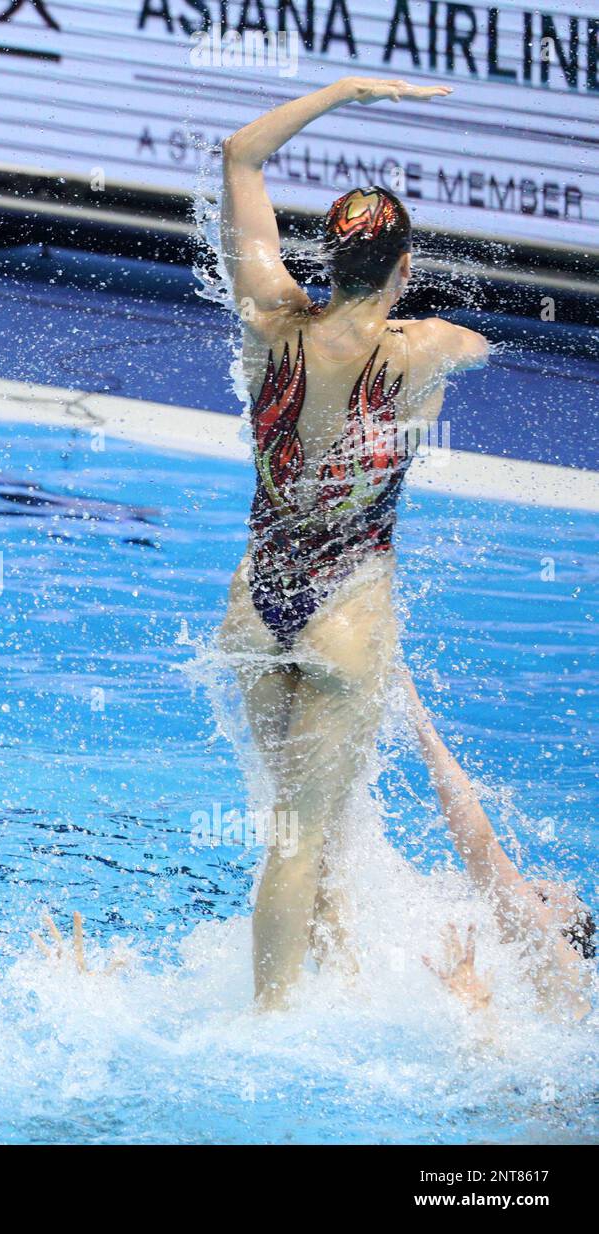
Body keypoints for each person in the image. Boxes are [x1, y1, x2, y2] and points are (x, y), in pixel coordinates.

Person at [214, 77, 490, 1008]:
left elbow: (240, 153)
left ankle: (328, 983)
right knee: (302, 834)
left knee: (304, 833)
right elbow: (476, 349)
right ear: (402, 267)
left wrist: (345, 91)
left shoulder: (267, 320)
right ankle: (270, 1026)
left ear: (325, 260)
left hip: (258, 605)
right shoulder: (430, 349)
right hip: (345, 610)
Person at [403, 671, 593, 1023]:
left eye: (541, 900)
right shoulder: (553, 994)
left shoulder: (556, 954)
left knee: (295, 848)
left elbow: (479, 844)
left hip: (516, 1066)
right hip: (516, 1064)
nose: (516, 896)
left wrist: (418, 718)